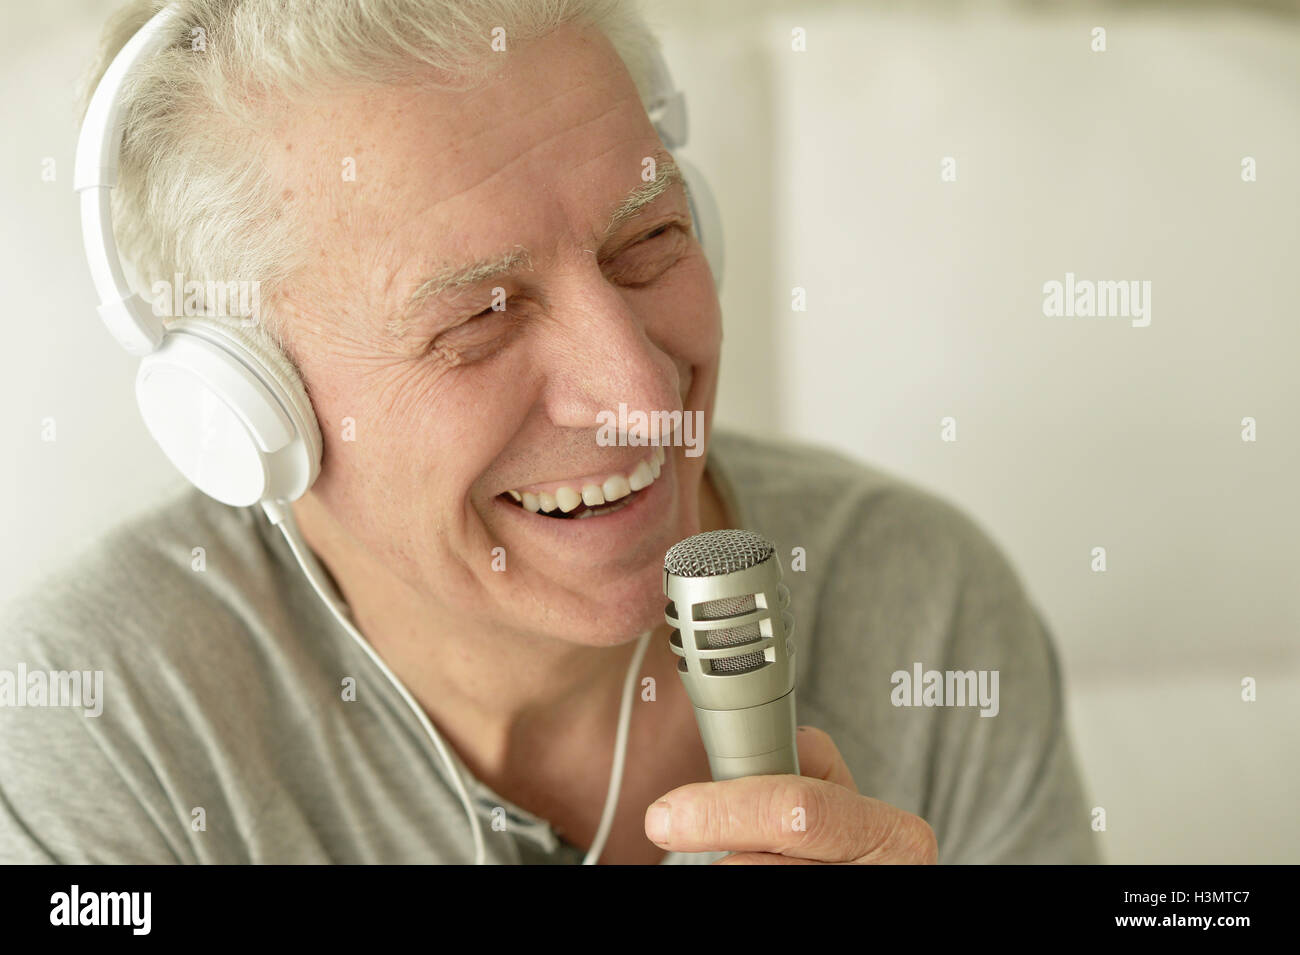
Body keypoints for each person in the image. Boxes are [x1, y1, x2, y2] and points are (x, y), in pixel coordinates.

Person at [0, 0, 1100, 865]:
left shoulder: (924, 601)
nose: (635, 383)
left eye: (649, 241)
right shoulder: (93, 725)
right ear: (244, 412)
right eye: (477, 315)